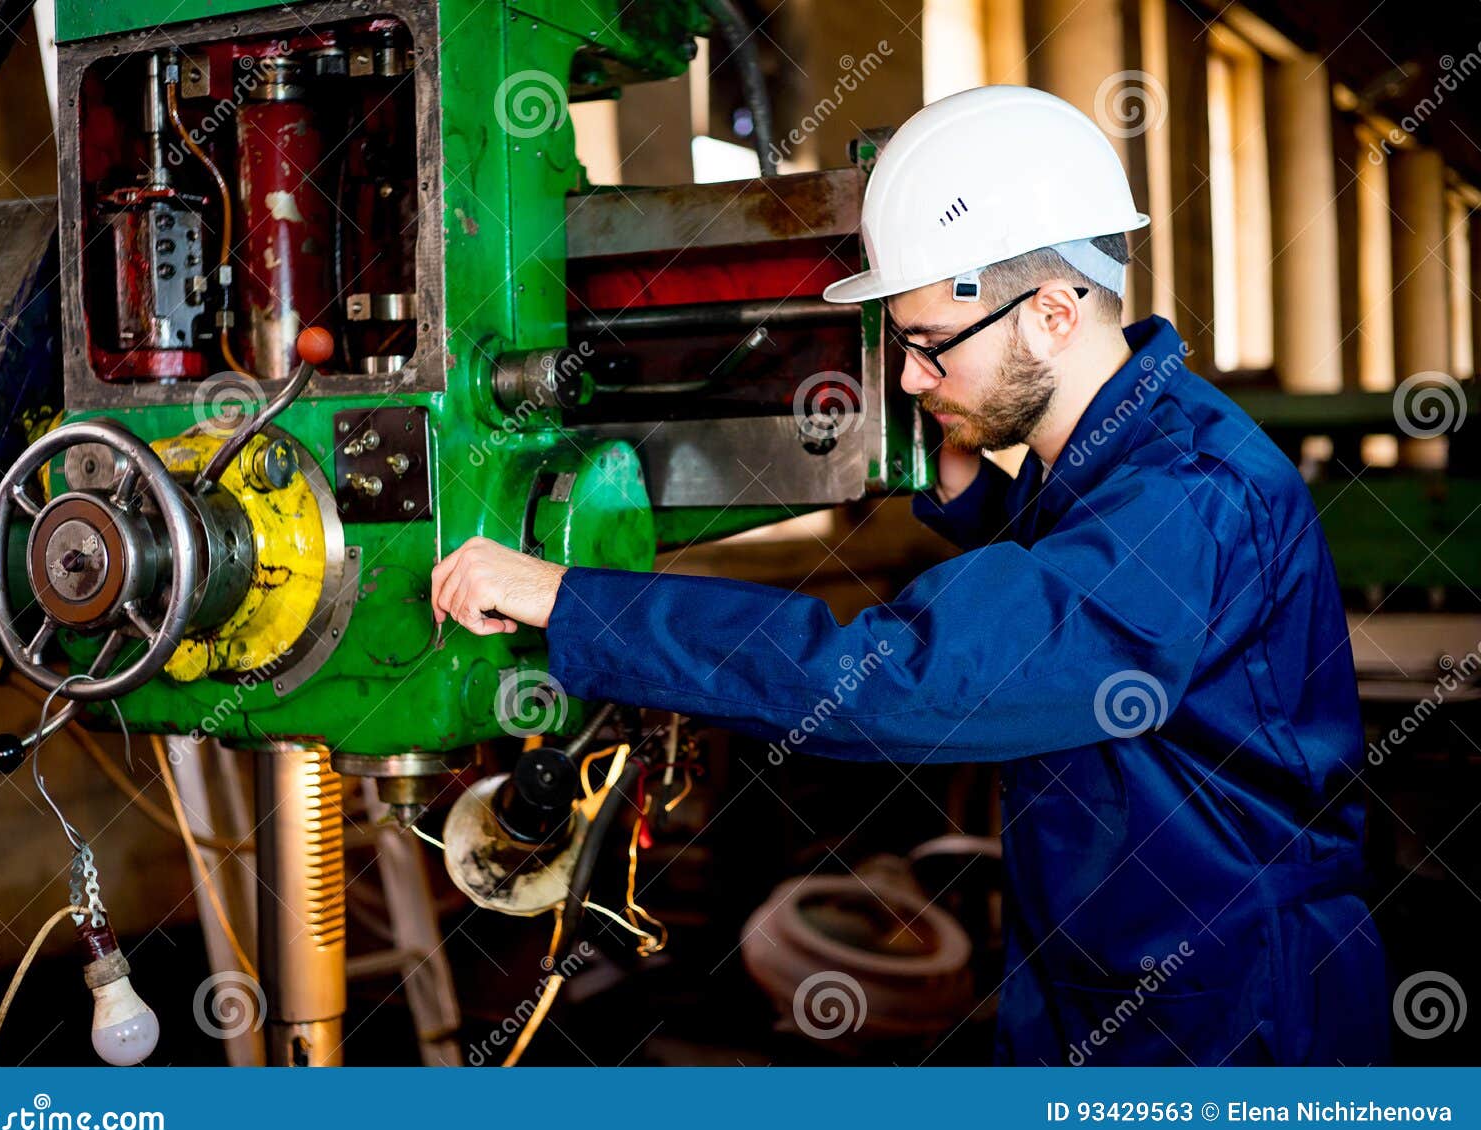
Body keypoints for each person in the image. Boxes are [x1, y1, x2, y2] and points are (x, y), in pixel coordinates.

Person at [429, 85, 1389, 1065]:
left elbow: (904, 676)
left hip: (1231, 1012)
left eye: (931, 347)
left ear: (1053, 313)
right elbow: (1069, 592)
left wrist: (570, 599)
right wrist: (970, 492)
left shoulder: (1188, 497)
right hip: (1119, 969)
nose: (907, 381)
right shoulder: (1120, 458)